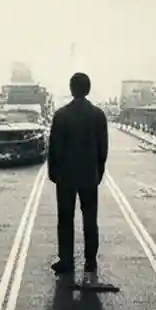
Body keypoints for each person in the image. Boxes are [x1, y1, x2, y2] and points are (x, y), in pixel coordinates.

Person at [46, 72, 108, 277]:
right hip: (89, 175)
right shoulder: (98, 115)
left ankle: (66, 260)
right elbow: (103, 149)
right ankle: (90, 261)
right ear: (88, 89)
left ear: (72, 89)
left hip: (66, 177)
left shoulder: (61, 115)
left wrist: (53, 172)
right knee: (90, 219)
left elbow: (53, 147)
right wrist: (98, 172)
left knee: (65, 219)